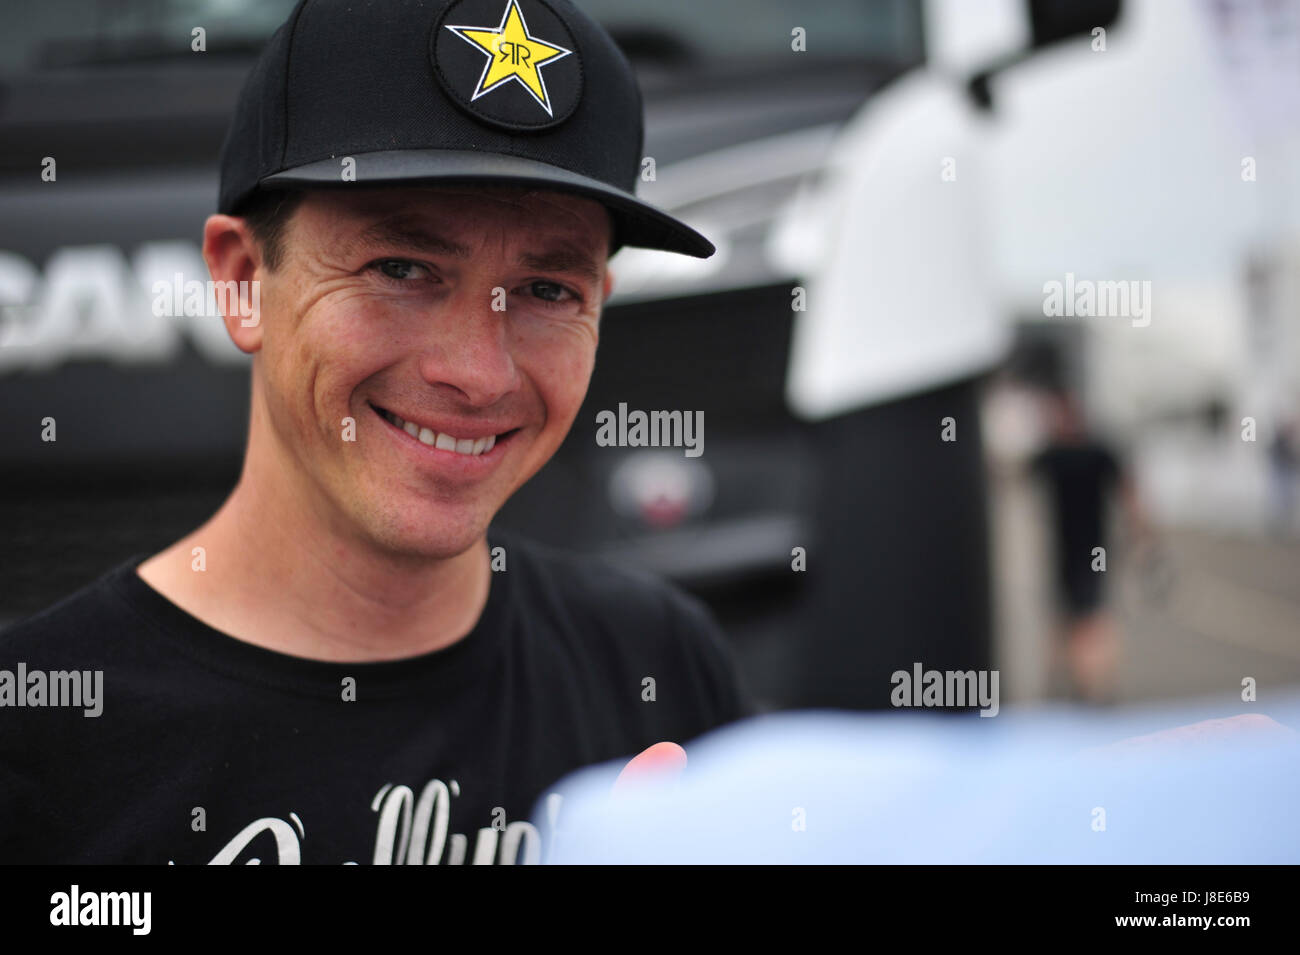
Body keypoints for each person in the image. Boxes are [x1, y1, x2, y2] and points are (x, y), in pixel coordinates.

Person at [0, 0, 753, 865]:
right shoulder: (40, 736)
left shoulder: (662, 664)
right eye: (401, 269)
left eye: (549, 291)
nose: (480, 371)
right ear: (244, 281)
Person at [1030, 386, 1147, 705]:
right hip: (1072, 552)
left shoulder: (1078, 453)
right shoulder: (1060, 454)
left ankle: (1092, 687)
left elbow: (1129, 492)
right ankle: (1081, 684)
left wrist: (1141, 532)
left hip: (1088, 551)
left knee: (1089, 620)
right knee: (1073, 617)